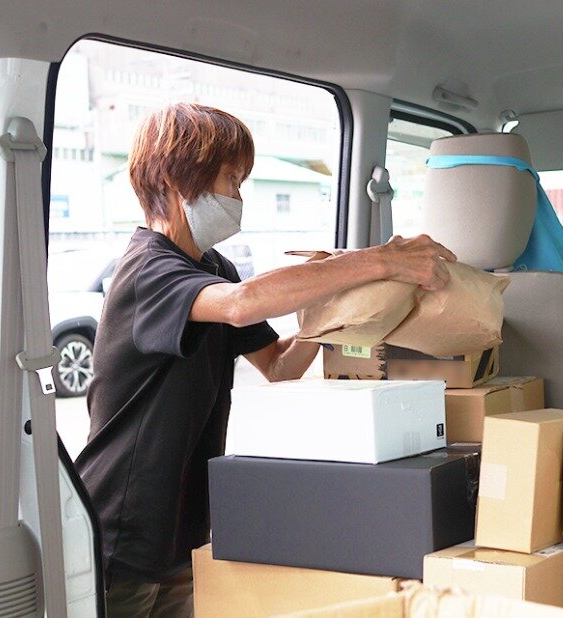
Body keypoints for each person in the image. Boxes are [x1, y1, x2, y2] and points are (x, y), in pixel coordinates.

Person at [74, 102, 456, 617]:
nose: (237, 196)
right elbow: (241, 304)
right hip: (124, 528)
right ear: (174, 178)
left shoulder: (213, 267)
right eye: (230, 179)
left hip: (182, 530)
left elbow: (279, 366)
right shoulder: (148, 271)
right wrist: (377, 261)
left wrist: (332, 313)